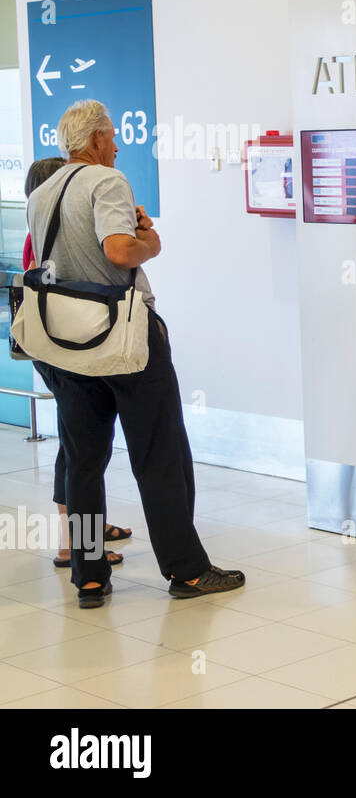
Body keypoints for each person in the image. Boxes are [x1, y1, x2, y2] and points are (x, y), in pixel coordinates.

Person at [27, 100, 245, 608]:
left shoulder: (41, 192)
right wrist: (153, 241)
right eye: (112, 137)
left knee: (82, 461)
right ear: (97, 139)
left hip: (67, 344)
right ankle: (187, 571)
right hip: (124, 340)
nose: (119, 146)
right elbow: (120, 251)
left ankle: (88, 576)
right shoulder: (107, 182)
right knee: (159, 453)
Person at [23, 156, 131, 570]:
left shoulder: (42, 231)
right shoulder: (49, 234)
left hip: (55, 344)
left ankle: (88, 530)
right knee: (78, 449)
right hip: (66, 345)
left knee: (80, 446)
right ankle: (75, 542)